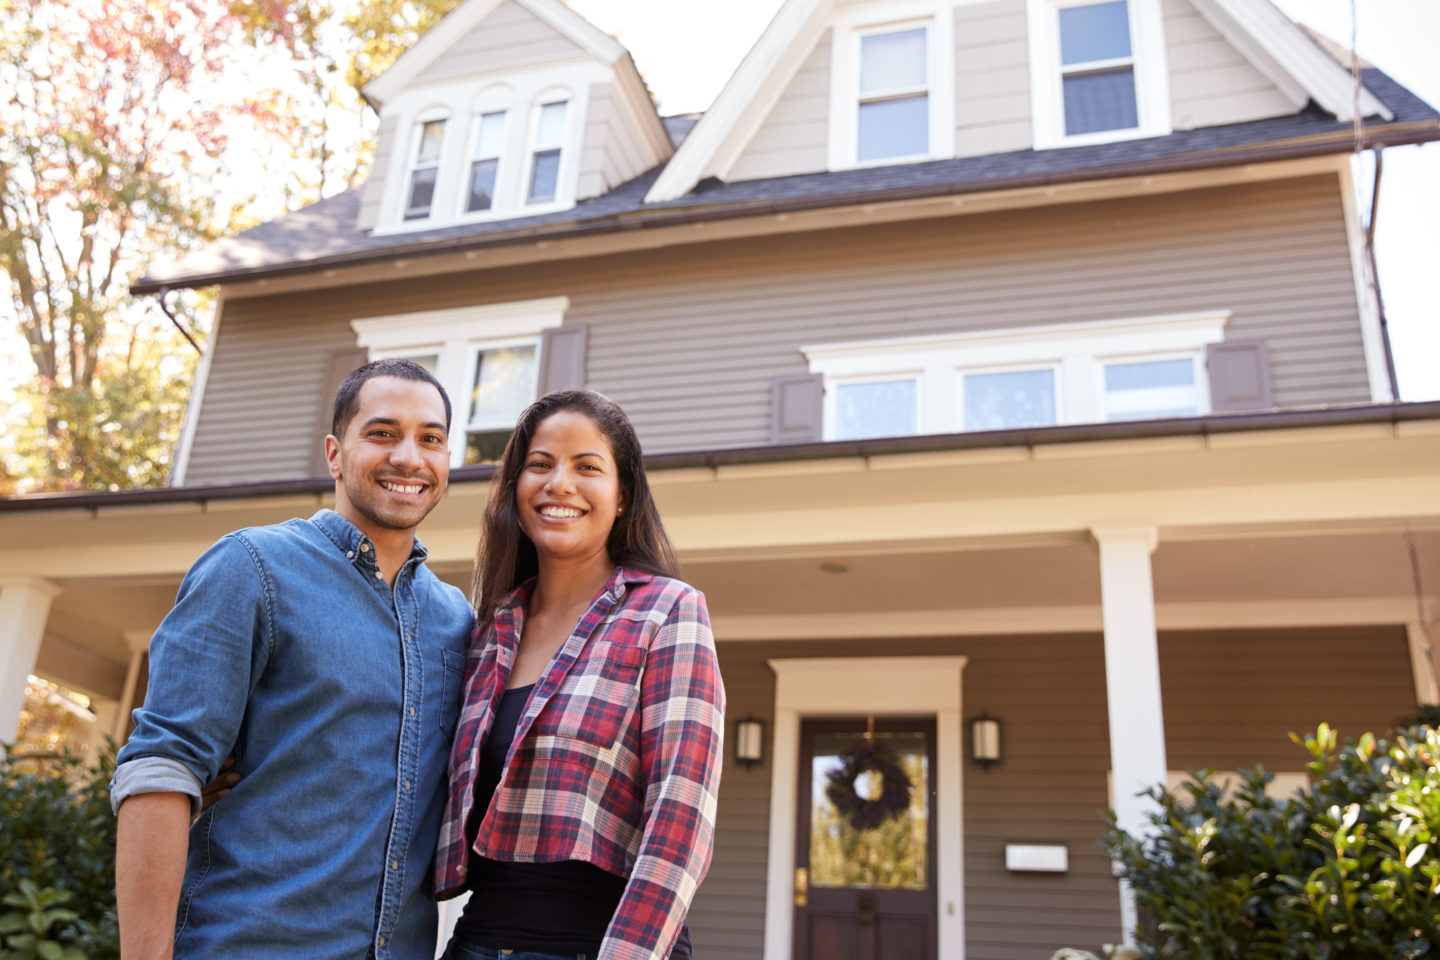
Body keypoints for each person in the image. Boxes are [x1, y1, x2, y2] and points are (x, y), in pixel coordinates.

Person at [111, 359, 474, 960]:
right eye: (382, 433)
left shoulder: (456, 620)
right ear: (335, 453)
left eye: (430, 439)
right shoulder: (252, 568)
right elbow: (162, 770)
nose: (409, 457)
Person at [433, 389, 725, 960]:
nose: (559, 484)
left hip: (600, 944)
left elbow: (680, 821)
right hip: (476, 942)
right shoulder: (489, 633)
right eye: (539, 465)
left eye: (587, 467)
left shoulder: (668, 613)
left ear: (622, 498)